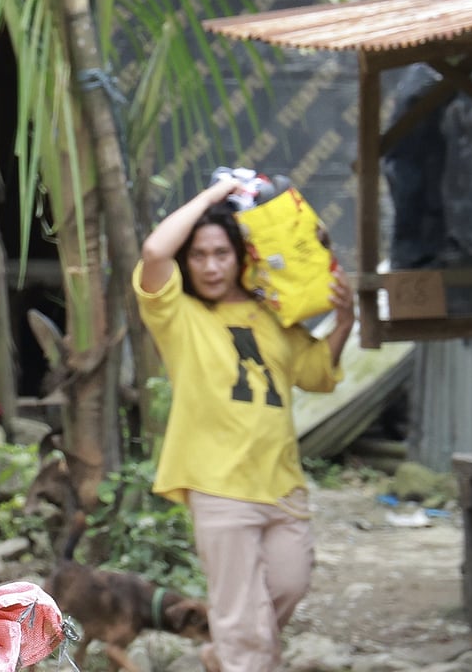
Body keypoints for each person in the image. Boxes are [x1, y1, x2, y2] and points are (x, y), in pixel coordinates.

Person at [133, 177, 355, 672]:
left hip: (282, 483)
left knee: (288, 586)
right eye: (199, 255)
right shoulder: (178, 315)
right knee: (243, 622)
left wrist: (344, 322)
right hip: (219, 485)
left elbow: (318, 374)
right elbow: (153, 249)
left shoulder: (273, 316)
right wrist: (215, 198)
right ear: (187, 263)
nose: (211, 266)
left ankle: (224, 655)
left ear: (241, 257)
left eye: (221, 253)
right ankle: (237, 656)